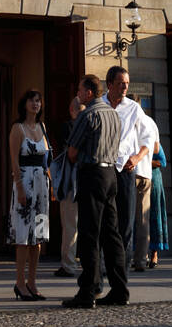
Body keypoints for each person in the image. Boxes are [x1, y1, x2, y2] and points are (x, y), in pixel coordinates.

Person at [62, 74, 129, 309]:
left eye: (80, 90)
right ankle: (120, 289)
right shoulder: (113, 113)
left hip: (91, 174)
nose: (78, 94)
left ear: (89, 92)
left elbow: (72, 152)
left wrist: (79, 157)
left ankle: (87, 291)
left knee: (90, 233)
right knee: (112, 234)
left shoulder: (88, 114)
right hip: (111, 174)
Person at [103, 66, 154, 263]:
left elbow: (148, 139)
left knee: (126, 219)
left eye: (126, 83)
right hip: (103, 169)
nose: (125, 87)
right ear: (109, 85)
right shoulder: (100, 105)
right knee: (106, 218)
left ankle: (122, 263)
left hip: (125, 170)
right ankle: (106, 261)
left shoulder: (133, 108)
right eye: (120, 83)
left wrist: (137, 158)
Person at [8, 89, 50, 301]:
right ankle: (19, 282)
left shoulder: (43, 127)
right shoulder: (18, 128)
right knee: (23, 236)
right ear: (24, 104)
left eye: (38, 101)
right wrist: (19, 187)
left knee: (39, 237)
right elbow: (14, 160)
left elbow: (47, 157)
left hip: (42, 184)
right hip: (24, 181)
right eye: (32, 100)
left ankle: (33, 281)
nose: (36, 104)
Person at [53, 92, 83, 279]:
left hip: (72, 182)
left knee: (70, 225)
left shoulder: (67, 127)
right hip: (87, 180)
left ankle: (69, 264)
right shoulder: (87, 125)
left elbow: (68, 152)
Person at [132, 112, 159, 272]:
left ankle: (124, 258)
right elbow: (155, 148)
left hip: (132, 171)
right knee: (143, 220)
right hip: (146, 173)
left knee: (126, 218)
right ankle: (141, 259)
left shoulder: (128, 117)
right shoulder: (150, 121)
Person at [148, 138, 169, 267]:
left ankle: (154, 253)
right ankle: (141, 253)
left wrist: (145, 161)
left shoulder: (153, 140)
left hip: (153, 179)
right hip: (136, 179)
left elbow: (163, 161)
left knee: (155, 215)